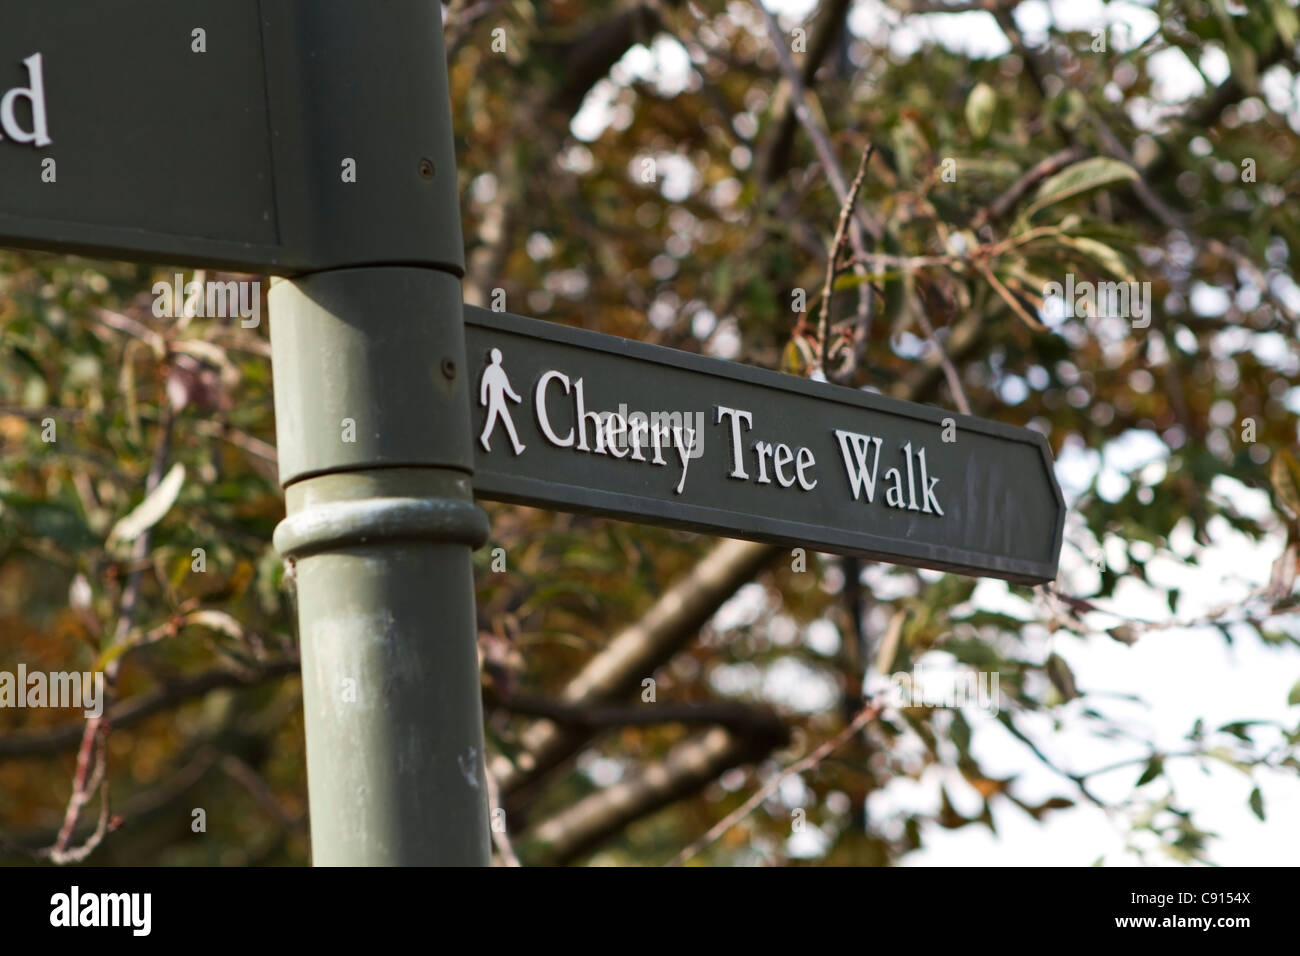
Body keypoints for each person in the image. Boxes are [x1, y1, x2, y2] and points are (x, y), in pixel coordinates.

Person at [479, 348, 526, 455]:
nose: (499, 358)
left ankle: (486, 437)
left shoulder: (499, 371)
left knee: (500, 421)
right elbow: (484, 385)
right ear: (494, 358)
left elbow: (507, 388)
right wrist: (483, 398)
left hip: (499, 401)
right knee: (501, 421)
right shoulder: (491, 370)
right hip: (495, 400)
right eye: (497, 356)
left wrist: (515, 397)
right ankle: (485, 437)